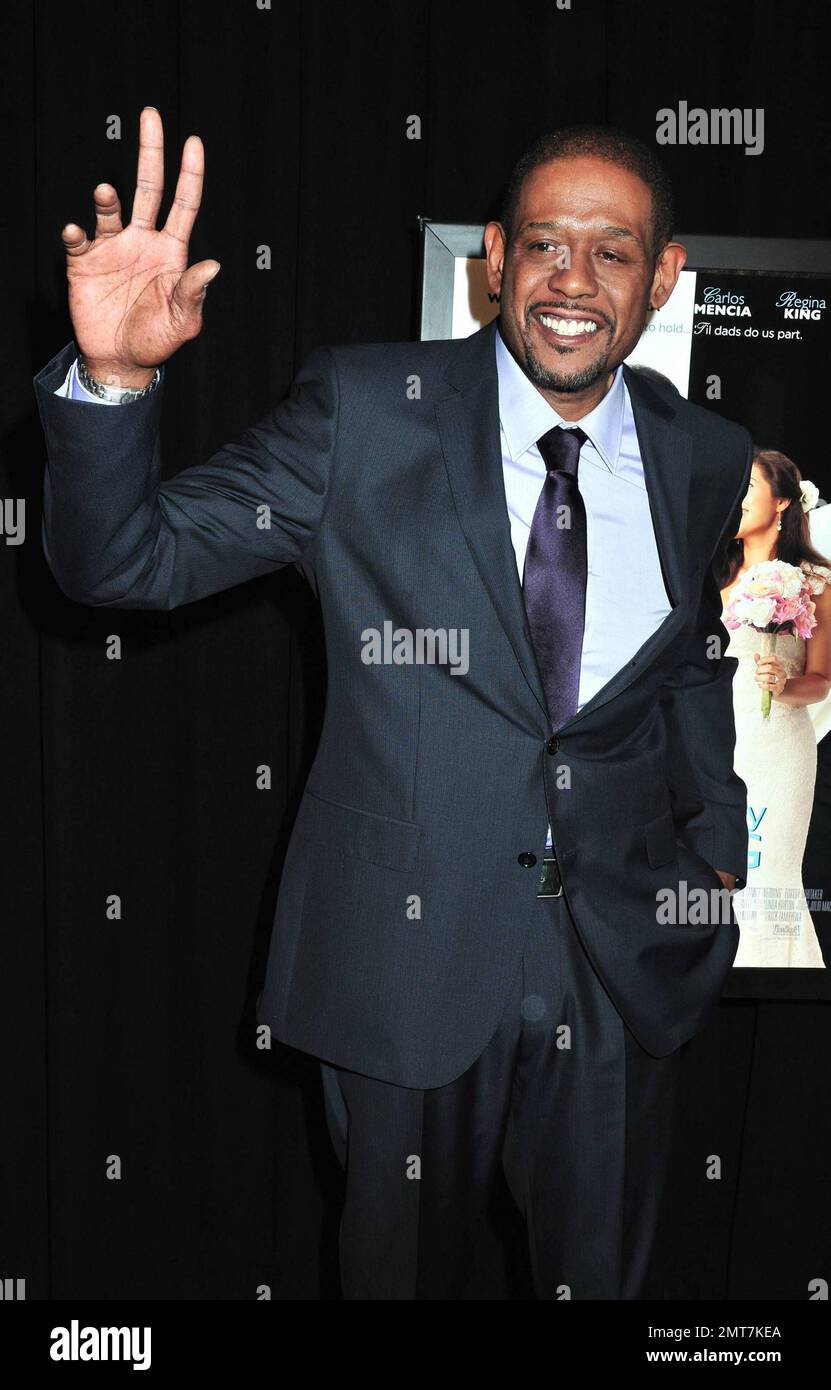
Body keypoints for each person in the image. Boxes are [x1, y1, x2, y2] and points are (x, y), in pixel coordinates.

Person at [33, 110, 752, 1300]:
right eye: (544, 245)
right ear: (493, 257)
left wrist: (716, 853)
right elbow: (125, 566)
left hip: (624, 973)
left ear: (664, 275)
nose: (573, 282)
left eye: (613, 252)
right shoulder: (364, 412)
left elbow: (690, 657)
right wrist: (115, 378)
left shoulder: (705, 454)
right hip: (407, 966)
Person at [718, 451, 831, 968]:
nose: (737, 497)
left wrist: (784, 684)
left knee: (768, 877)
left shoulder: (814, 583)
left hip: (778, 748)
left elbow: (822, 682)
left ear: (782, 500)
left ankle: (774, 991)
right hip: (716, 749)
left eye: (750, 486)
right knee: (715, 875)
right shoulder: (712, 575)